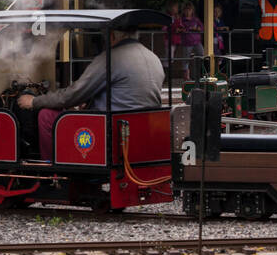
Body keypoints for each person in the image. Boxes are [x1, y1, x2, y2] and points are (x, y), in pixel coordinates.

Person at [16, 28, 165, 161]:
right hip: (144, 131)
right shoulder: (153, 57)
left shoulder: (110, 58)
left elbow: (72, 95)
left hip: (112, 132)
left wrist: (35, 101)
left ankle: (51, 173)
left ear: (112, 35)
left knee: (47, 116)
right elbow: (124, 91)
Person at [174, 2, 205, 80]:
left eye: (189, 10)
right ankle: (186, 77)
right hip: (187, 43)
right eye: (186, 10)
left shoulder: (196, 19)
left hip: (197, 42)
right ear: (184, 11)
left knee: (202, 54)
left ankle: (197, 73)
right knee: (186, 60)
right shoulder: (181, 20)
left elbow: (202, 28)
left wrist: (198, 29)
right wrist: (182, 30)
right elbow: (178, 28)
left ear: (192, 11)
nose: (188, 12)